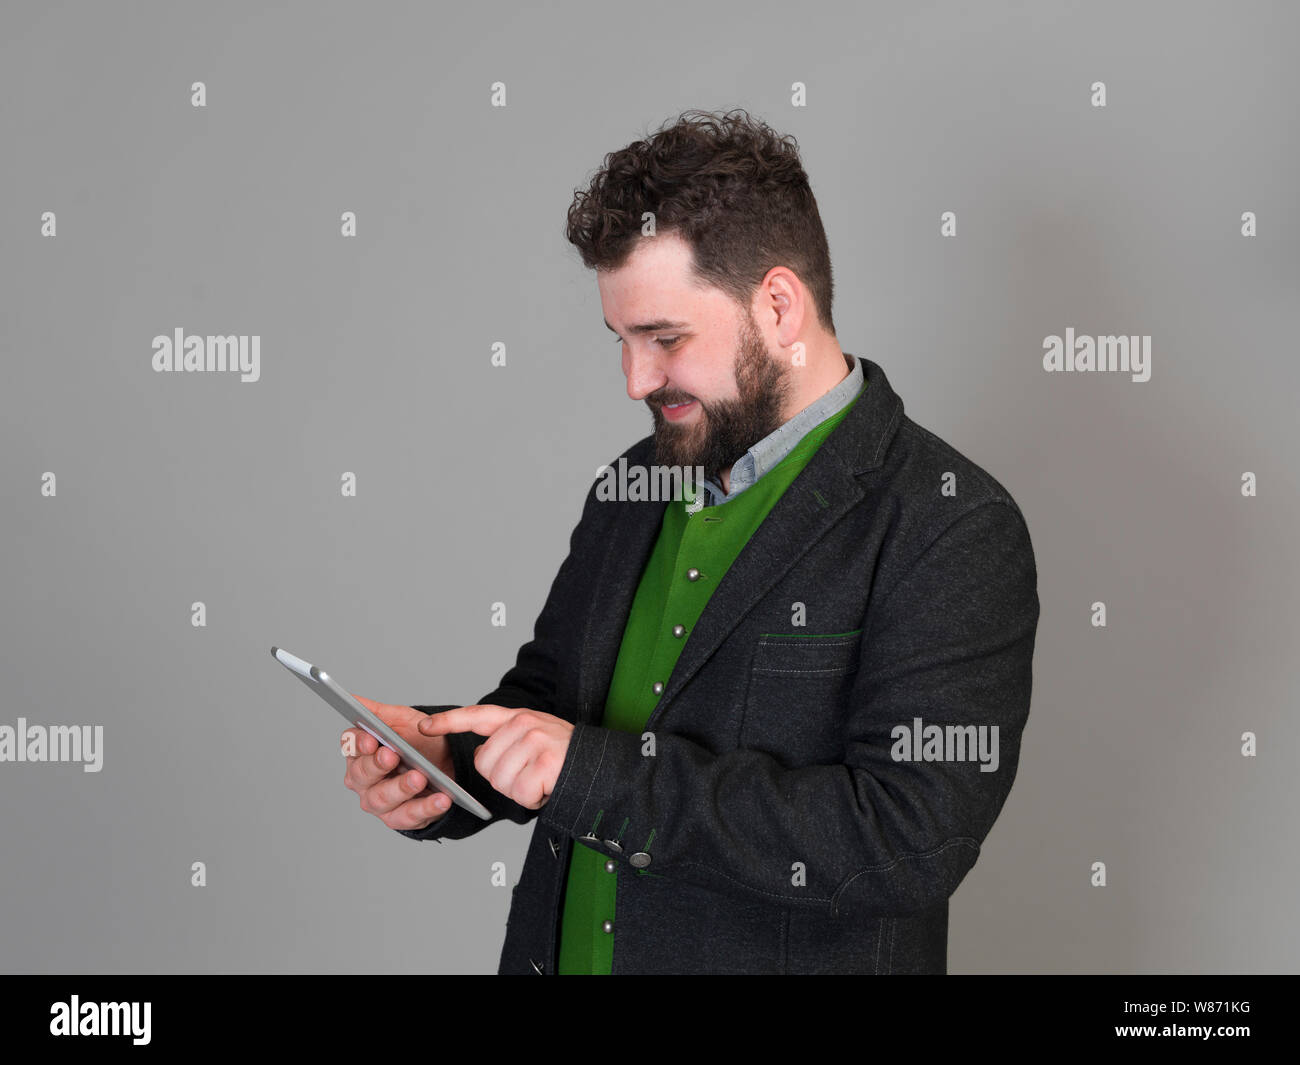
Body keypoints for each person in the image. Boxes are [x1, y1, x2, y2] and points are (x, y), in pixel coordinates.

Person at [342, 108, 1040, 974]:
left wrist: (593, 775)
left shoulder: (949, 523)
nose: (636, 379)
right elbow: (556, 709)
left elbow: (906, 837)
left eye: (665, 338)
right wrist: (446, 766)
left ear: (779, 305)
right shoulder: (633, 486)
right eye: (622, 341)